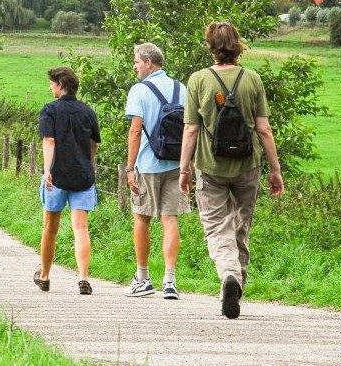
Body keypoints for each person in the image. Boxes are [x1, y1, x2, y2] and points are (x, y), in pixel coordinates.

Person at [179, 21, 284, 320]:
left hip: (210, 167)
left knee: (216, 226)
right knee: (241, 225)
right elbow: (264, 129)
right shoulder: (253, 79)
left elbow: (190, 130)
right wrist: (275, 170)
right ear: (237, 45)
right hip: (247, 166)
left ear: (210, 46)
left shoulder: (198, 80)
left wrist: (184, 169)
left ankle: (228, 276)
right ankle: (236, 285)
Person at [122, 43, 188, 299]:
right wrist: (188, 164)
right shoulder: (180, 88)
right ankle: (170, 281)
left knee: (141, 218)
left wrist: (129, 168)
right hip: (175, 163)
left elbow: (135, 130)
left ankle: (143, 277)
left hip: (148, 164)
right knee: (170, 219)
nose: (134, 66)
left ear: (149, 62)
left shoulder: (139, 90)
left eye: (136, 61)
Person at [33, 66, 101, 295]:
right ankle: (83, 278)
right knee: (81, 227)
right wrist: (88, 164)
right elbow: (93, 144)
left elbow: (49, 141)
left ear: (60, 85)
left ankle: (44, 276)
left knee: (50, 228)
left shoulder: (49, 110)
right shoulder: (87, 111)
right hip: (82, 176)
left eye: (52, 83)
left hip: (58, 176)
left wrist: (47, 170)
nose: (50, 86)